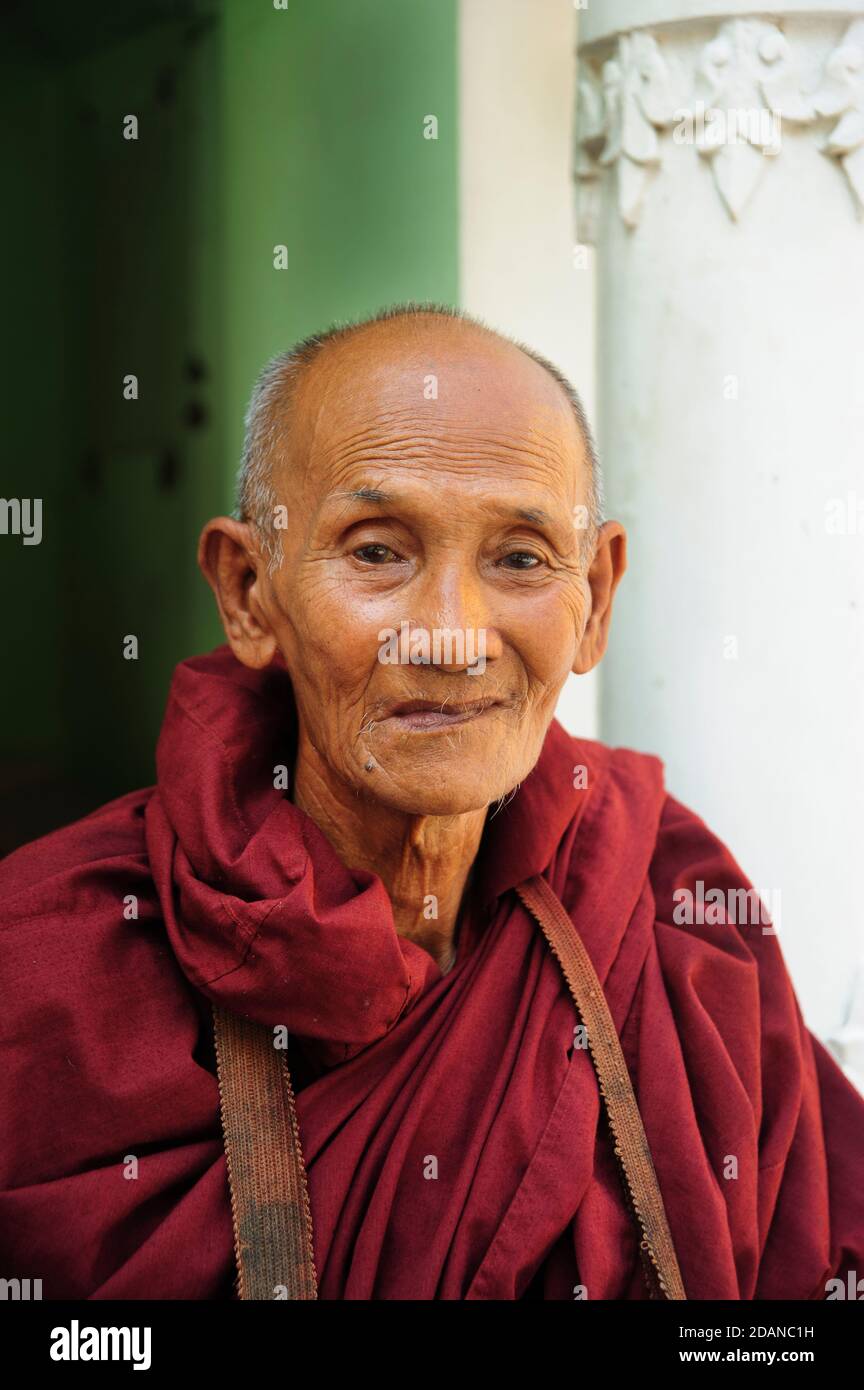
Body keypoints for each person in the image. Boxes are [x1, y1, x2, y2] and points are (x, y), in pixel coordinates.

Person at [1, 304, 862, 1300]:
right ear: (248, 590)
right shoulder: (44, 968)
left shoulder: (669, 903)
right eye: (376, 551)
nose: (452, 637)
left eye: (522, 558)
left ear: (598, 599)